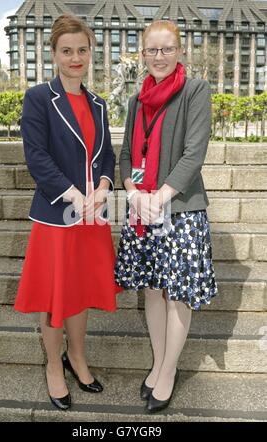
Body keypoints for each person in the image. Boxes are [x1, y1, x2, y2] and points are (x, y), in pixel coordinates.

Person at [14, 14, 121, 411]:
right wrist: (74, 194)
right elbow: (37, 158)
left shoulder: (99, 104)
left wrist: (106, 186)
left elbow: (107, 155)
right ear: (54, 55)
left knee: (81, 291)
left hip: (92, 216)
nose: (75, 58)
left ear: (90, 52)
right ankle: (53, 367)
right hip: (58, 215)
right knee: (56, 293)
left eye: (81, 50)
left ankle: (77, 358)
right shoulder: (39, 98)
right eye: (67, 51)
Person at [115, 20, 218, 414]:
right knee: (153, 290)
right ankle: (159, 363)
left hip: (181, 209)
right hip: (144, 208)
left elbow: (195, 152)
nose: (159, 57)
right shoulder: (136, 100)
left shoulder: (195, 90)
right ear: (143, 54)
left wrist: (160, 195)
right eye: (152, 50)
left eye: (166, 49)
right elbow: (126, 154)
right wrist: (132, 190)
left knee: (177, 296)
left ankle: (168, 371)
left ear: (179, 51)